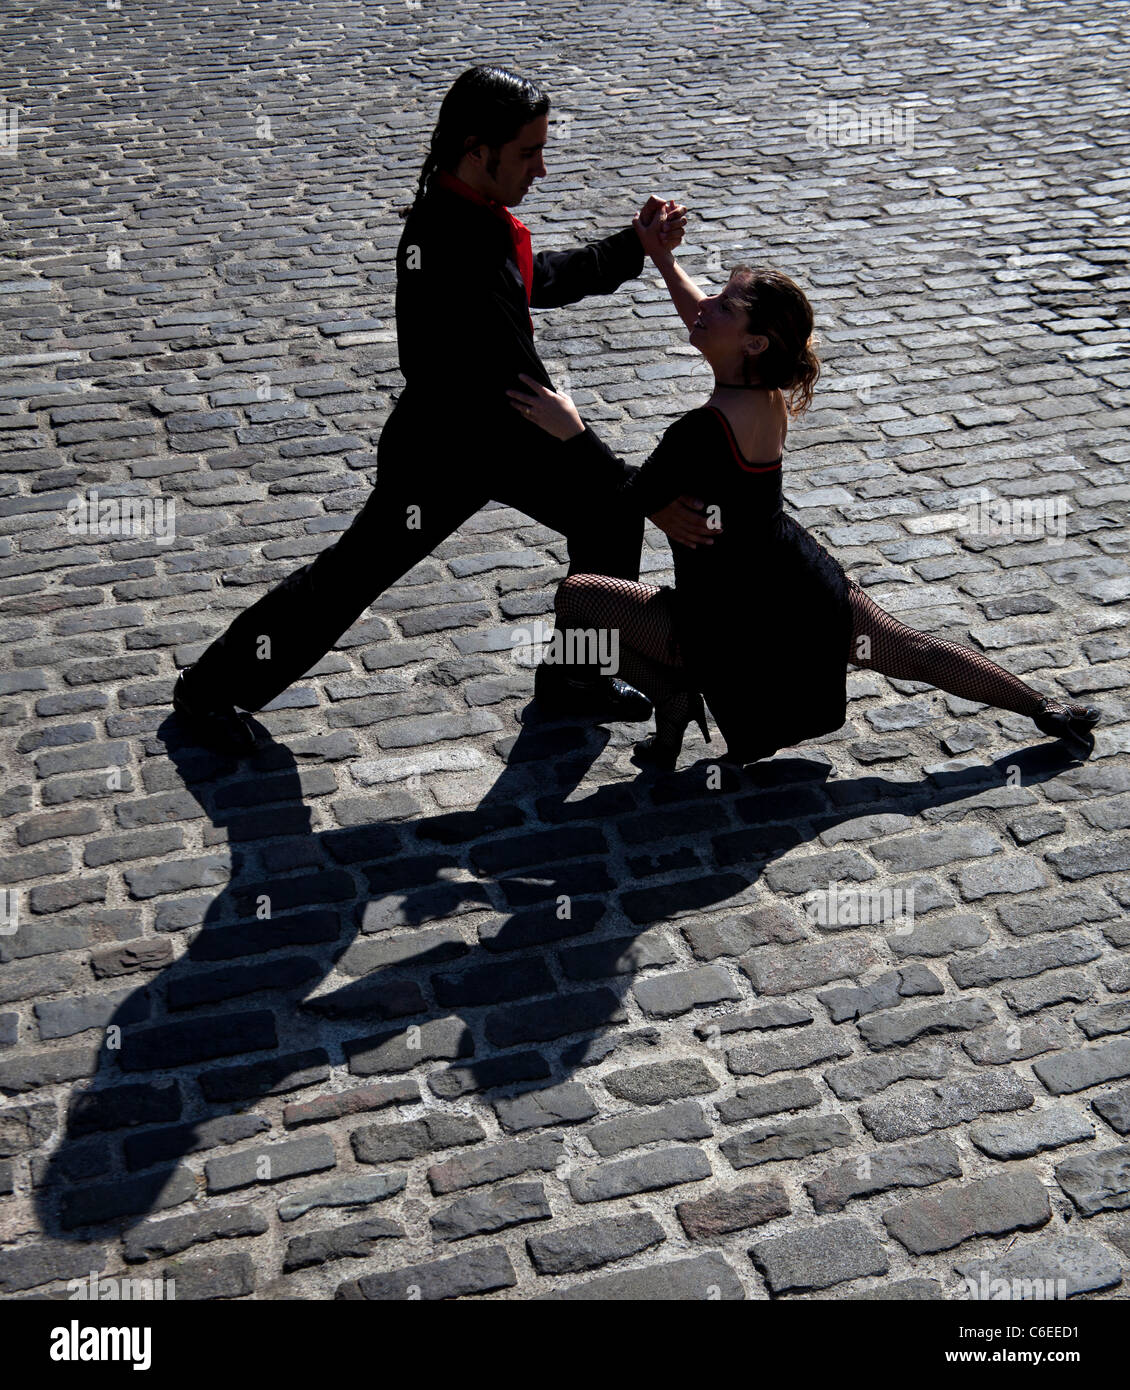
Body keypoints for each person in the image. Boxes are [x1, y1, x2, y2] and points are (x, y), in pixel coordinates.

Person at [172, 65, 713, 756]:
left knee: (604, 518)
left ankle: (577, 676)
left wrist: (631, 247)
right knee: (350, 578)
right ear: (474, 149)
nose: (541, 169)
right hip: (447, 452)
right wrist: (641, 489)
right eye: (527, 154)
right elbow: (534, 391)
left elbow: (534, 279)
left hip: (500, 431)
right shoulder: (452, 241)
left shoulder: (465, 217)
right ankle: (211, 690)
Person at [508, 214, 1104, 771]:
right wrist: (664, 262)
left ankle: (671, 687)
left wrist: (573, 431)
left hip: (726, 616)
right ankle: (1047, 710)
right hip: (801, 589)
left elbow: (623, 501)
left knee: (579, 597)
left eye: (723, 305)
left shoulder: (700, 430)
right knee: (916, 653)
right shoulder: (767, 392)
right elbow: (705, 324)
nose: (705, 306)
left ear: (754, 343)